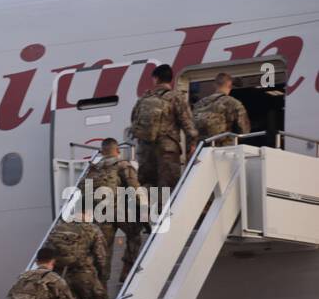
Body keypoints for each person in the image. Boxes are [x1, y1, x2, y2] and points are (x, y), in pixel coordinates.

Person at [131, 63, 198, 199]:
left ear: (155, 79)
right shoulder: (176, 97)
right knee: (168, 187)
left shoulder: (144, 99)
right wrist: (192, 147)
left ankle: (149, 216)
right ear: (171, 80)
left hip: (145, 150)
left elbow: (133, 120)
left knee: (147, 185)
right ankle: (166, 216)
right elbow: (188, 125)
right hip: (167, 151)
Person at [84, 137, 145, 282]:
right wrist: (144, 208)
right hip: (120, 212)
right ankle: (127, 270)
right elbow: (134, 188)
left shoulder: (93, 168)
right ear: (117, 150)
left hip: (101, 214)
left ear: (102, 152)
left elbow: (83, 191)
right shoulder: (122, 164)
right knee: (135, 234)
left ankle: (101, 283)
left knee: (104, 250)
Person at [193, 72, 250, 147]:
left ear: (215, 85)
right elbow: (244, 131)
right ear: (230, 85)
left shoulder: (199, 104)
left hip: (202, 150)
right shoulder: (233, 103)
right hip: (225, 151)